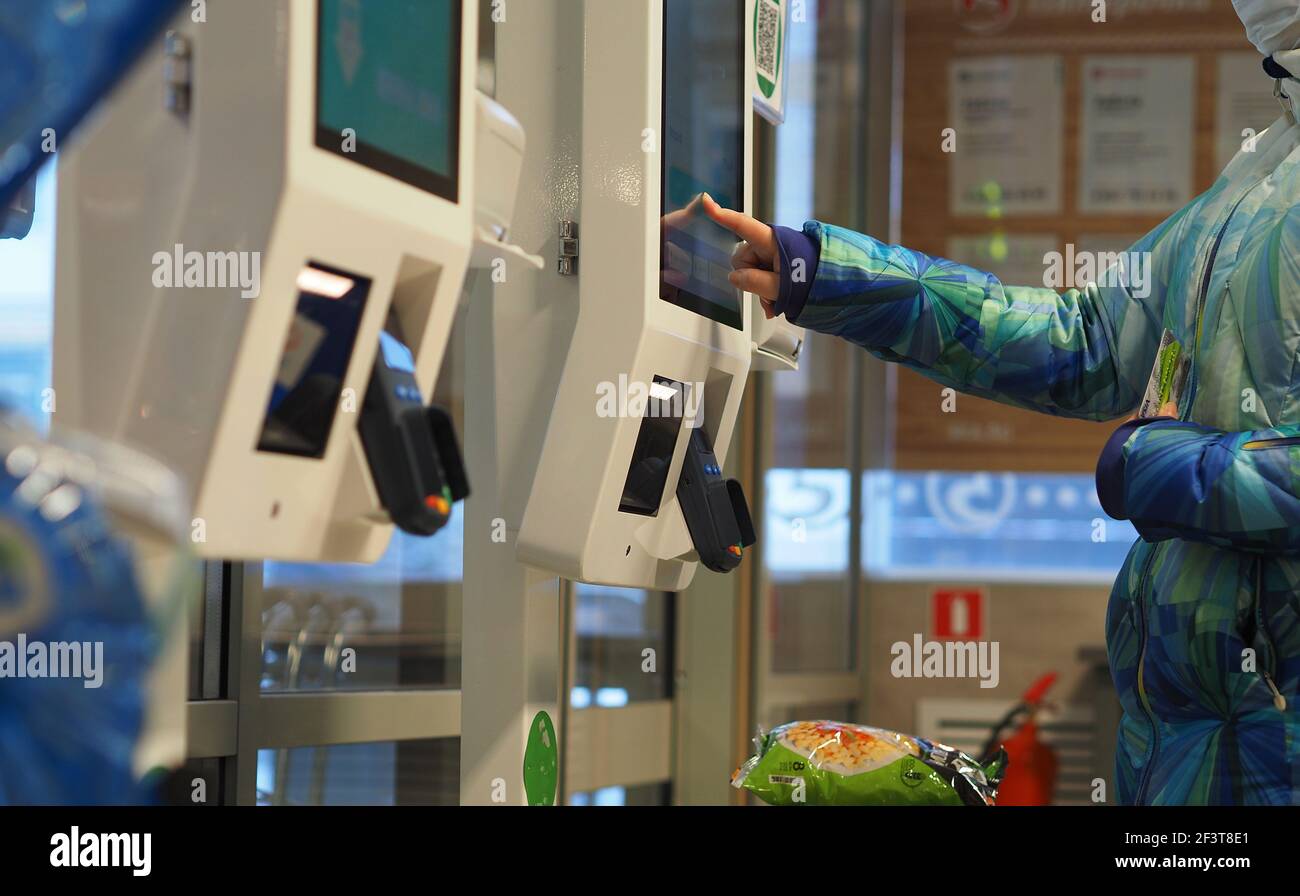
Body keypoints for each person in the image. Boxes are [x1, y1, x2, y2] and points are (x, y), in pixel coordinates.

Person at [704, 0, 1300, 805]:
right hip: (1181, 739)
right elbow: (1086, 340)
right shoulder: (1264, 174)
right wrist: (833, 274)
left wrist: (1149, 464)